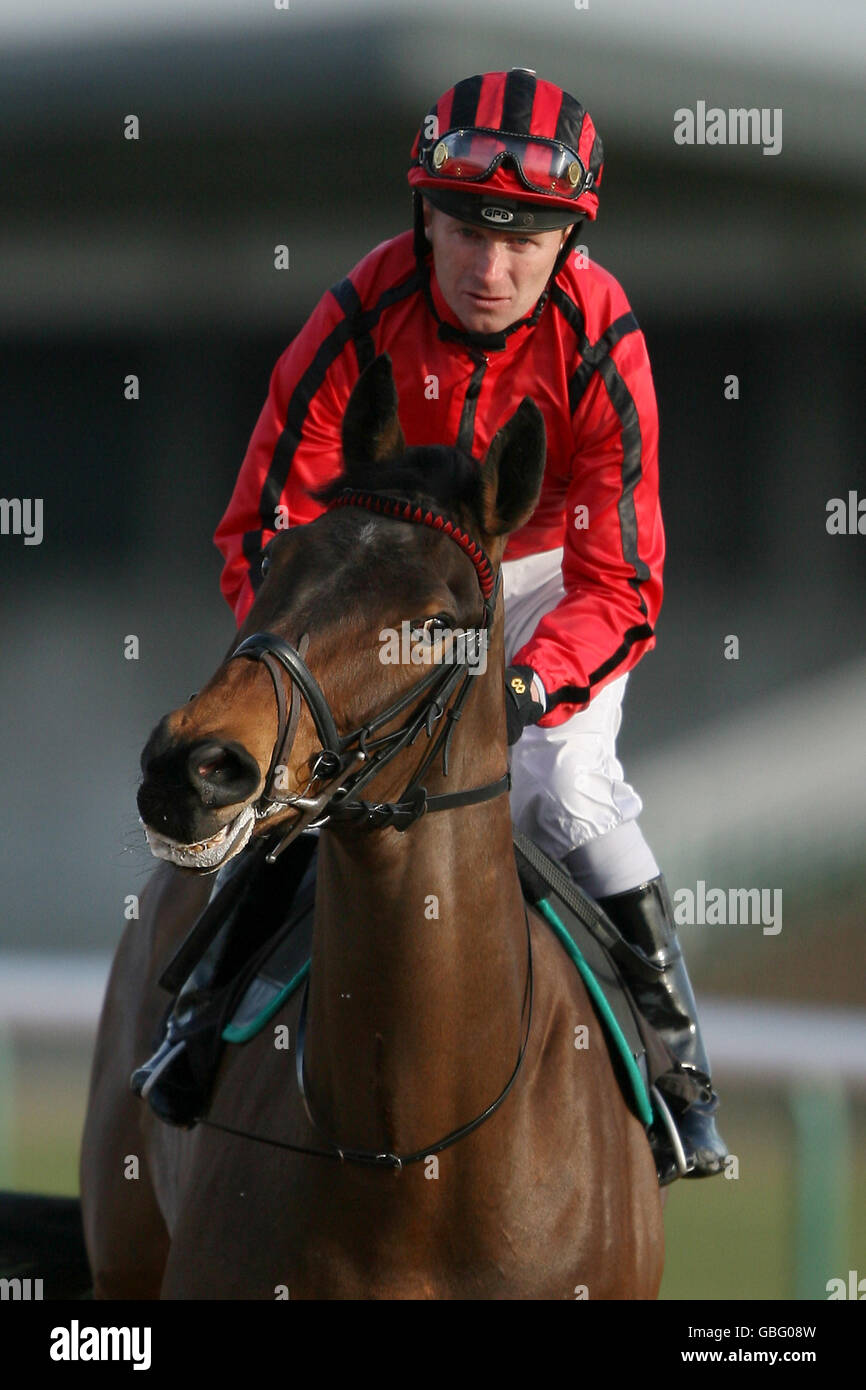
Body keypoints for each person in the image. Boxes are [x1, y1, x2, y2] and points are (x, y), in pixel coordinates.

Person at [154, 69, 727, 1181]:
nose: (490, 267)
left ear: (570, 240)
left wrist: (515, 689)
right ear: (425, 211)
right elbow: (269, 526)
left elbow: (625, 584)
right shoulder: (357, 312)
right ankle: (197, 1010)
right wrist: (310, 670)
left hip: (551, 590)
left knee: (564, 788)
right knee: (305, 780)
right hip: (379, 588)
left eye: (526, 240)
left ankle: (676, 1073)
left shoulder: (604, 341)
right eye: (465, 229)